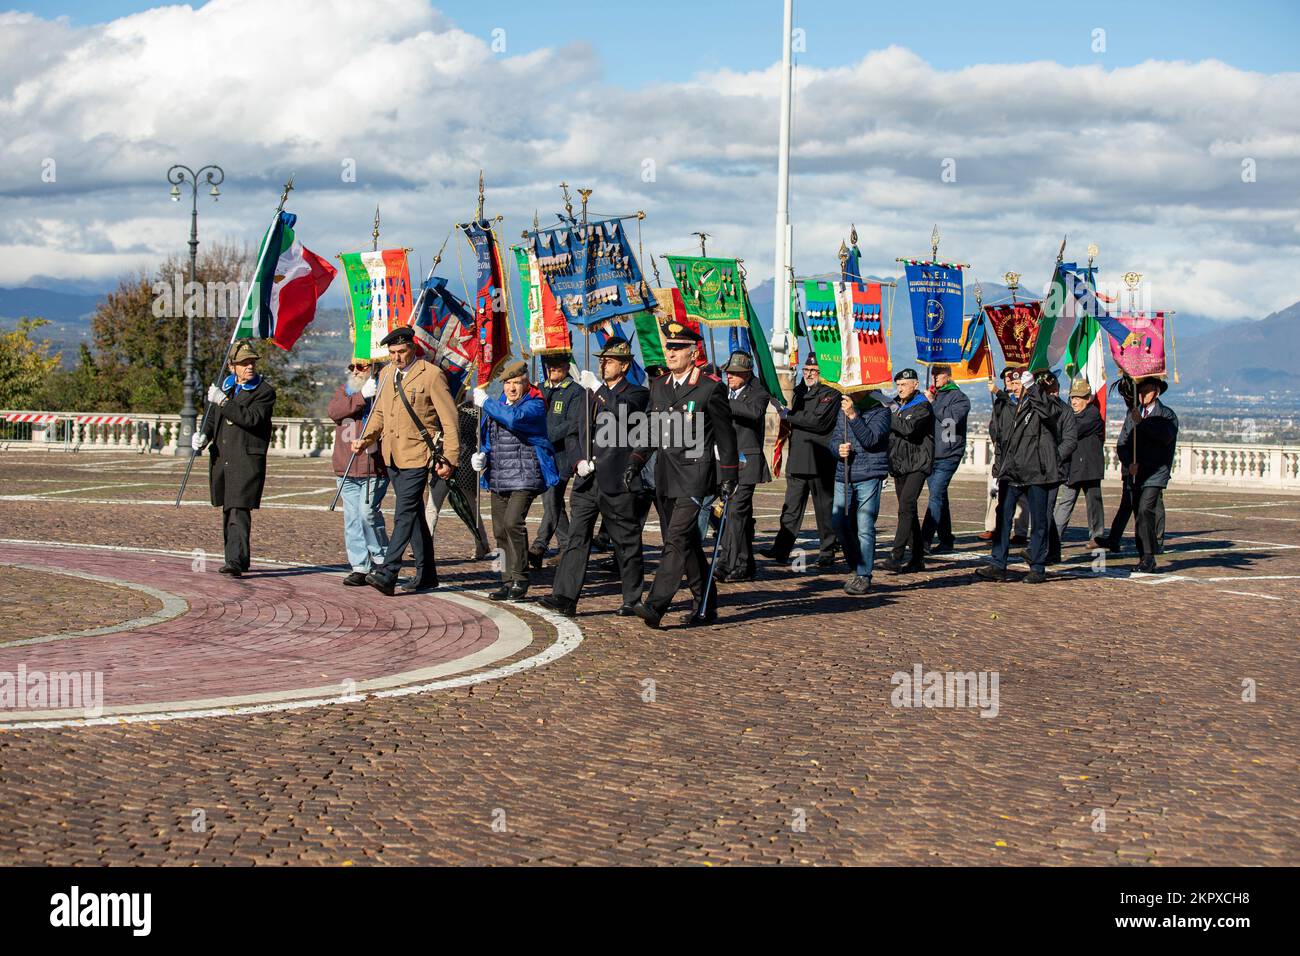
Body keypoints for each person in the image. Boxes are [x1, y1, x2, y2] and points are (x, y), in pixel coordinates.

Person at [627, 321, 739, 629]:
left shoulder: (709, 387)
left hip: (695, 473)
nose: (671, 352)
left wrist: (729, 474)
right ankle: (706, 603)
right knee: (685, 542)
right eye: (669, 348)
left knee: (675, 539)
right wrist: (636, 460)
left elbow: (725, 435)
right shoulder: (660, 386)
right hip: (665, 474)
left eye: (678, 348)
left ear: (693, 352)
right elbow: (652, 427)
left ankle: (655, 605)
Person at [540, 336, 649, 618]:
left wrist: (598, 388)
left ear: (624, 365)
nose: (603, 364)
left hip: (616, 477)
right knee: (577, 538)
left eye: (609, 360)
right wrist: (577, 460)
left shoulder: (636, 393)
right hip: (587, 479)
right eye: (601, 360)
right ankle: (564, 597)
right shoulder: (589, 394)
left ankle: (632, 598)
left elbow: (622, 412)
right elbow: (575, 431)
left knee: (625, 541)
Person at [350, 326, 459, 596]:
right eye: (392, 353)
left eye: (401, 351)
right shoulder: (386, 374)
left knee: (404, 512)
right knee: (415, 516)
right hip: (391, 455)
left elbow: (450, 420)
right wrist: (365, 438)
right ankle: (427, 574)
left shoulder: (431, 375)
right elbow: (379, 414)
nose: (396, 357)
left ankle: (388, 571)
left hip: (417, 454)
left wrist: (451, 458)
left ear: (412, 348)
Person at [472, 359, 560, 600]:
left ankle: (521, 577)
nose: (512, 388)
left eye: (517, 383)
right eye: (508, 383)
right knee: (499, 529)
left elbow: (514, 419)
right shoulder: (496, 404)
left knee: (513, 523)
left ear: (526, 383)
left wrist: (486, 402)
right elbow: (488, 436)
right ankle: (505, 579)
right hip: (499, 475)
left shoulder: (535, 405)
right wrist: (481, 455)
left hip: (525, 473)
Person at [977, 368, 1076, 583]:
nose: (1016, 388)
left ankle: (1038, 567)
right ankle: (998, 563)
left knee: (1039, 521)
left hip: (1037, 471)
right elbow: (1000, 437)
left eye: (1021, 384)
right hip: (1011, 470)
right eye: (1014, 384)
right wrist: (998, 467)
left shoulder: (1043, 403)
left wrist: (1032, 388)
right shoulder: (1005, 405)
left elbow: (1049, 414)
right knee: (1003, 518)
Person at [193, 341, 275, 576]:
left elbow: (251, 418)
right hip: (224, 458)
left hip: (246, 459)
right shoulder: (225, 387)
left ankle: (235, 561)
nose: (250, 366)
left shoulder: (264, 391)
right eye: (244, 363)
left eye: (252, 362)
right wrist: (203, 435)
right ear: (232, 366)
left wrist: (224, 402)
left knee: (238, 509)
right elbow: (212, 418)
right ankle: (237, 558)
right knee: (229, 509)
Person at [763, 352, 839, 568]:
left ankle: (827, 550)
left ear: (822, 373)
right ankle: (781, 549)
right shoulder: (798, 392)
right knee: (790, 508)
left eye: (813, 371)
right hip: (797, 458)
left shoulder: (830, 393)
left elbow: (818, 422)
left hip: (819, 459)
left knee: (824, 510)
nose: (809, 374)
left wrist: (790, 415)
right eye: (806, 370)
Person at [327, 358, 389, 586]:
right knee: (352, 519)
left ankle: (383, 561)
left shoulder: (382, 393)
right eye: (352, 367)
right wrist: (362, 397)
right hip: (346, 467)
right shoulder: (344, 391)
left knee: (368, 515)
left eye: (361, 367)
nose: (355, 370)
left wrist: (370, 397)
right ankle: (360, 566)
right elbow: (334, 411)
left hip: (374, 468)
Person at [828, 391, 891, 595]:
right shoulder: (843, 408)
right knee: (839, 522)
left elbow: (871, 440)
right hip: (843, 473)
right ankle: (856, 564)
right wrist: (837, 449)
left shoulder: (881, 410)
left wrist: (854, 416)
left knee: (865, 527)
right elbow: (834, 438)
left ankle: (864, 574)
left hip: (869, 474)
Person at [1115, 375, 1179, 572]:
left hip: (1156, 473)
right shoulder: (1132, 414)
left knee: (1145, 509)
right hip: (1137, 473)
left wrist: (1141, 423)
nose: (1144, 394)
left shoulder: (1167, 415)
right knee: (1138, 514)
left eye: (1148, 390)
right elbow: (1122, 444)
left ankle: (1150, 554)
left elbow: (1164, 437)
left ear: (1157, 392)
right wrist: (1128, 462)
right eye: (1141, 391)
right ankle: (1144, 555)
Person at [717, 350, 771, 583]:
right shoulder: (724, 391)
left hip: (746, 462)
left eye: (735, 373)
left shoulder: (757, 392)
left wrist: (726, 402)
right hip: (726, 461)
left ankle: (730, 563)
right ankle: (744, 563)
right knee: (734, 515)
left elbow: (755, 412)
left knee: (736, 513)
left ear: (747, 374)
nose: (729, 376)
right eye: (728, 372)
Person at [528, 352, 582, 569]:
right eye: (550, 367)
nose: (554, 371)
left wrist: (547, 436)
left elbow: (573, 423)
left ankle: (539, 546)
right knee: (553, 503)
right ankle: (566, 545)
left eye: (558, 367)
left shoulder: (575, 392)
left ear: (567, 368)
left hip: (562, 455)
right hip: (542, 455)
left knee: (552, 499)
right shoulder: (541, 389)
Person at [882, 368, 933, 573]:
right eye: (898, 385)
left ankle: (897, 554)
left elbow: (908, 428)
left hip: (918, 462)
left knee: (906, 505)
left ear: (915, 385)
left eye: (904, 385)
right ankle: (918, 557)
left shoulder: (922, 406)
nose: (900, 388)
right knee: (908, 511)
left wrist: (889, 414)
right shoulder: (896, 404)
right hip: (900, 463)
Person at [920, 364, 970, 554]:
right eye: (933, 374)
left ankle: (924, 540)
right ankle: (946, 539)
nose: (935, 378)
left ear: (948, 376)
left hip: (949, 454)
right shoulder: (932, 394)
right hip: (932, 454)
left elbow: (950, 420)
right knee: (940, 497)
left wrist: (932, 403)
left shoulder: (959, 398)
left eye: (938, 375)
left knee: (935, 497)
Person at [979, 366, 1029, 544]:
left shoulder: (1017, 400)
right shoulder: (1001, 401)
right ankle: (992, 527)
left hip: (1020, 453)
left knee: (1021, 493)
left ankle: (1020, 530)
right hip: (1001, 450)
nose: (1010, 384)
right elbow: (995, 424)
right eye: (1008, 381)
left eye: (1013, 381)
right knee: (994, 488)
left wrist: (999, 392)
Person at [1054, 377, 1106, 548]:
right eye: (1073, 397)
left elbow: (1074, 430)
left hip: (1089, 466)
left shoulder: (1092, 414)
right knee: (1065, 502)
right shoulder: (1070, 414)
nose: (1075, 401)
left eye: (1078, 397)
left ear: (1088, 398)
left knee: (1094, 503)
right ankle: (1053, 537)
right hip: (1073, 467)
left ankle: (1096, 536)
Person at [1038, 372, 1077, 565]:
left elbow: (1069, 441)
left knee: (1046, 509)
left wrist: (1052, 458)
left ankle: (1044, 550)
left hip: (1055, 468)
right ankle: (1053, 549)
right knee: (1041, 509)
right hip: (1036, 467)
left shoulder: (1066, 411)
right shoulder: (1036, 407)